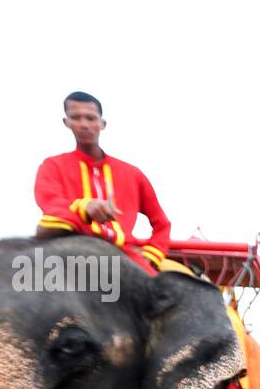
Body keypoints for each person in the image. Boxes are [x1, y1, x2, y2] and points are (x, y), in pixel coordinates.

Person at [34, 92, 170, 275]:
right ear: (66, 122)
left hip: (124, 256)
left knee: (168, 297)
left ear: (102, 124)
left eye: (90, 118)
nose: (84, 124)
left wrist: (152, 255)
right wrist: (84, 206)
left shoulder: (133, 174)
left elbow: (161, 223)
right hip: (71, 251)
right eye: (76, 118)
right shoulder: (52, 166)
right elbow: (50, 203)